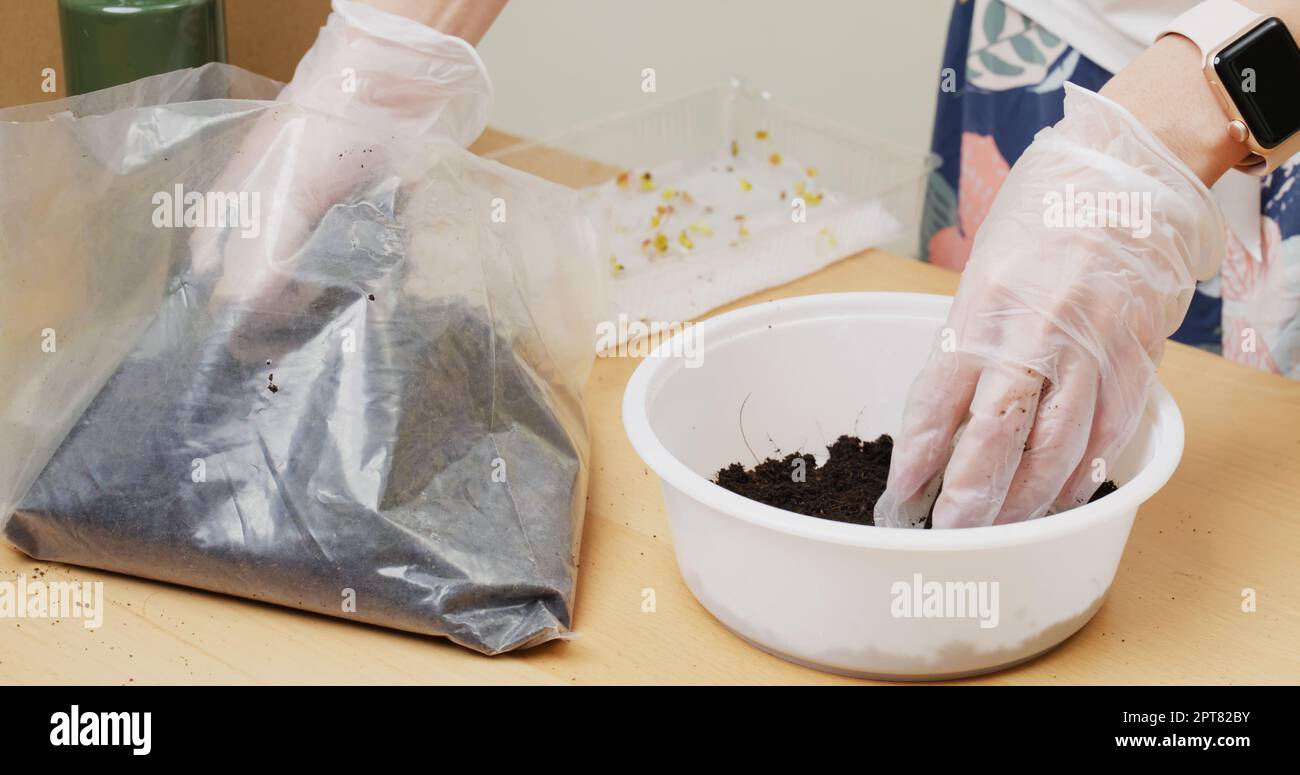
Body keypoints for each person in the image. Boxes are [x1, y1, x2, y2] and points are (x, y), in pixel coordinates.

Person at [220, 0, 1297, 530]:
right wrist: (388, 57)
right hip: (1044, 64)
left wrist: (1167, 132)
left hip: (1265, 70)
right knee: (998, 403)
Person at [874, 0, 1300, 529]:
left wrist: (1158, 135)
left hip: (1272, 87)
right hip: (1041, 61)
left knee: (1260, 490)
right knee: (990, 382)